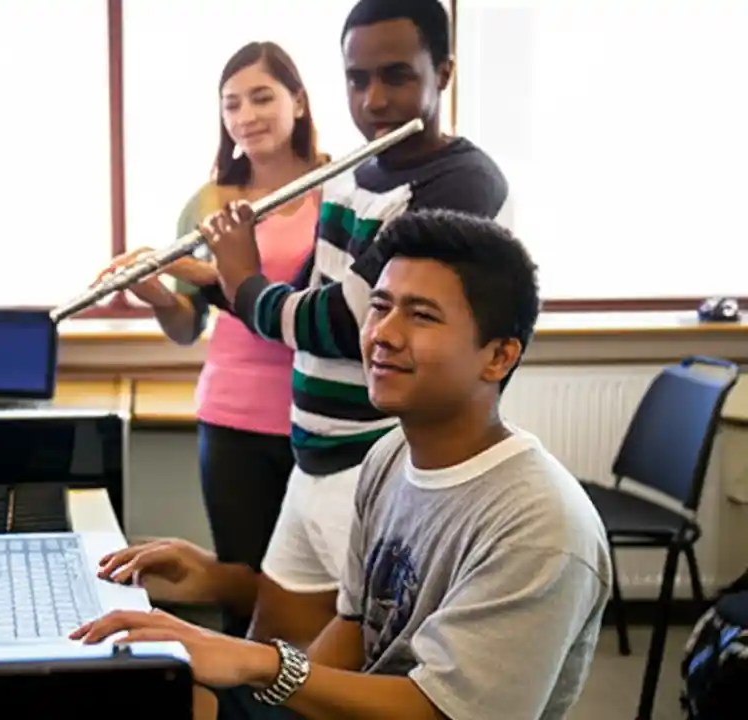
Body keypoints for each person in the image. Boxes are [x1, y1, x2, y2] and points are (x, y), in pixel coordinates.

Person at [74, 209, 612, 720]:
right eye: (379, 306)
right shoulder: (387, 455)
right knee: (160, 691)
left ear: (499, 356)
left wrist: (259, 662)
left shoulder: (541, 525)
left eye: (421, 316)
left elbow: (442, 711)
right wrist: (238, 680)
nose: (382, 335)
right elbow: (356, 628)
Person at [99, 0, 511, 648]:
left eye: (397, 76)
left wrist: (239, 276)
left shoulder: (463, 182)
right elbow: (306, 294)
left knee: (359, 659)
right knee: (272, 654)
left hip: (373, 457)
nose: (374, 99)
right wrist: (210, 282)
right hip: (311, 452)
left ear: (445, 71)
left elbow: (351, 323)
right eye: (357, 78)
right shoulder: (356, 175)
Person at [95, 41, 328, 637]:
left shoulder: (338, 188)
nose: (246, 116)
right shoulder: (206, 202)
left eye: (261, 97)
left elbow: (313, 306)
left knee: (320, 591)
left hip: (320, 415)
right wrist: (154, 293)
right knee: (239, 584)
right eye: (231, 105)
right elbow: (186, 325)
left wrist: (212, 274)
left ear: (297, 102)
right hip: (231, 419)